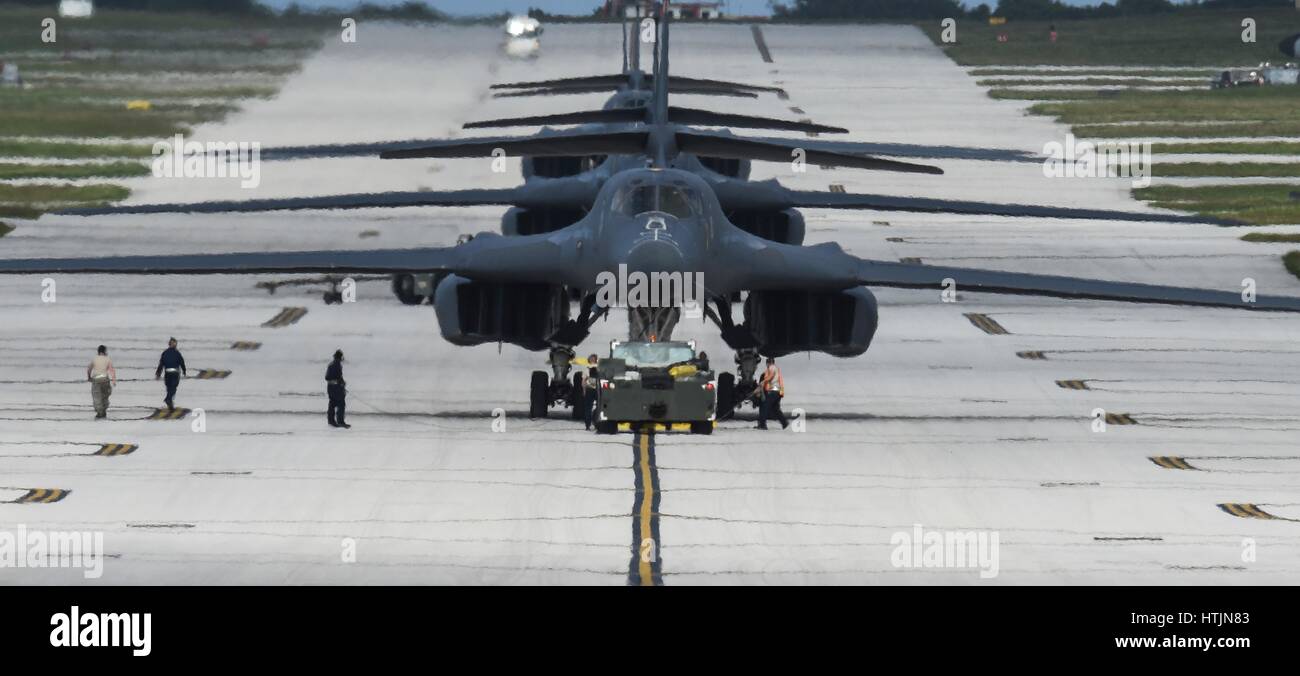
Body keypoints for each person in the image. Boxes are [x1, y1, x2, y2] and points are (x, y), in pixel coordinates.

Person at [756, 356, 789, 430]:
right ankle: (784, 423)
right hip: (778, 391)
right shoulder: (776, 369)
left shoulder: (772, 368)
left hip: (773, 391)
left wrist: (763, 382)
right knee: (775, 408)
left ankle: (762, 425)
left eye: (767, 363)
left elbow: (769, 377)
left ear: (769, 363)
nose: (767, 364)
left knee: (764, 406)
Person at [154, 337, 187, 411]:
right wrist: (184, 371)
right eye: (175, 343)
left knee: (169, 388)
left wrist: (158, 373)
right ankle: (168, 400)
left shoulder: (165, 353)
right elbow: (182, 363)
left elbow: (161, 364)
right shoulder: (177, 353)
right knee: (173, 388)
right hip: (175, 372)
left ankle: (170, 404)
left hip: (167, 373)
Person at [86, 345, 117, 419]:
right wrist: (114, 380)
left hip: (96, 379)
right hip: (105, 379)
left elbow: (89, 369)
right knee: (105, 396)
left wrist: (89, 377)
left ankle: (100, 412)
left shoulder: (94, 359)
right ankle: (103, 411)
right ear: (105, 351)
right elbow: (111, 370)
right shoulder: (107, 359)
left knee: (97, 397)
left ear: (98, 351)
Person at [326, 349, 350, 429]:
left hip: (330, 387)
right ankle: (340, 421)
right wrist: (342, 383)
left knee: (332, 404)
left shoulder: (330, 364)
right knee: (341, 404)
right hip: (336, 388)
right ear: (340, 357)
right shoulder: (337, 365)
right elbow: (338, 377)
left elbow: (327, 377)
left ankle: (331, 421)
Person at [583, 353, 600, 430]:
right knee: (599, 406)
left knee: (587, 408)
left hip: (590, 387)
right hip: (598, 388)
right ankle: (596, 422)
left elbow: (583, 381)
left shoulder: (586, 368)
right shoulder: (600, 367)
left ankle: (587, 425)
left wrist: (584, 390)